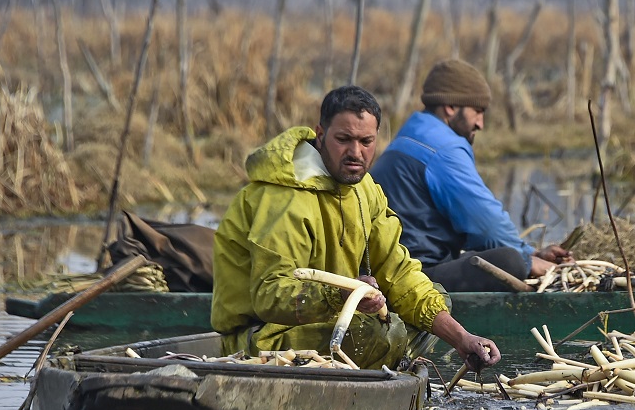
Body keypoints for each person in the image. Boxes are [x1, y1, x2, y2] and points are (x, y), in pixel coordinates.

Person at [210, 84, 501, 372]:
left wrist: (461, 338)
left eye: (366, 141)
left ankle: (380, 366)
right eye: (344, 139)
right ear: (321, 135)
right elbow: (270, 294)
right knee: (379, 332)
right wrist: (340, 295)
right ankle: (381, 366)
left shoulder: (365, 190)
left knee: (435, 303)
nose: (356, 153)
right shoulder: (284, 198)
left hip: (328, 324)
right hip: (263, 340)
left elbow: (398, 273)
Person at [370, 58, 572, 292]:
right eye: (477, 111)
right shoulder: (443, 147)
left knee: (492, 255)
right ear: (451, 107)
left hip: (392, 268)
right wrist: (527, 258)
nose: (481, 123)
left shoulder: (411, 133)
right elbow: (486, 224)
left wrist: (534, 252)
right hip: (415, 275)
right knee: (510, 261)